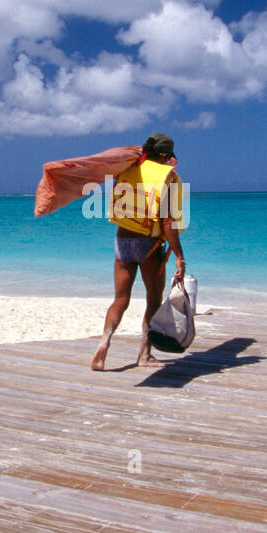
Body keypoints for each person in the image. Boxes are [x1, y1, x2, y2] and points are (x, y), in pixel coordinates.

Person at [90, 133, 187, 370]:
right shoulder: (167, 177)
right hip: (149, 245)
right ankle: (144, 354)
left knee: (120, 299)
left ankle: (104, 344)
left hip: (122, 241)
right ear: (165, 155)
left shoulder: (128, 170)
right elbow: (166, 221)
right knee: (153, 299)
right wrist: (179, 256)